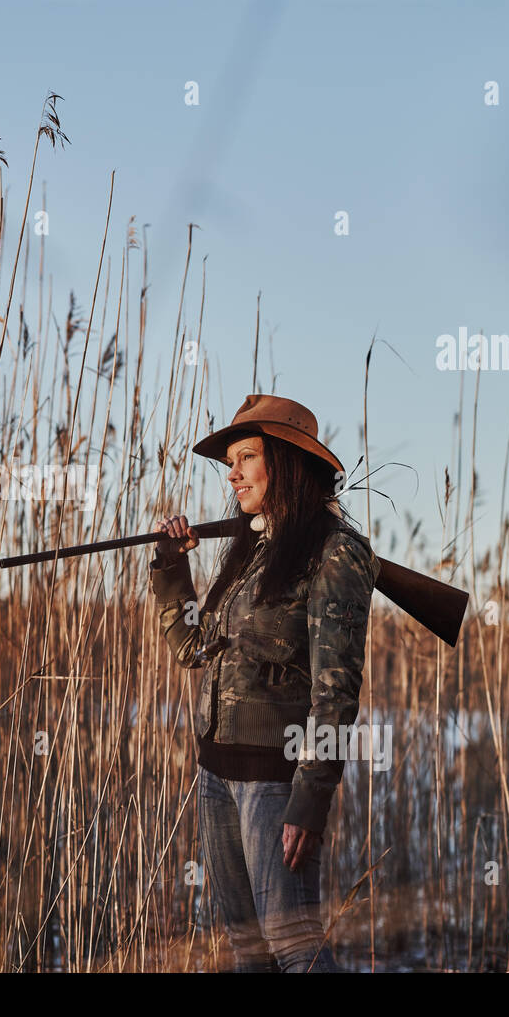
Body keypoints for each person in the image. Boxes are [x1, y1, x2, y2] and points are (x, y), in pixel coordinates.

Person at [149, 393, 379, 973]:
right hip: (216, 775)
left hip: (276, 783)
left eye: (246, 457)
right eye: (230, 461)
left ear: (286, 461)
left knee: (297, 953)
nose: (231, 473)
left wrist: (311, 798)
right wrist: (172, 568)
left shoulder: (335, 552)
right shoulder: (253, 550)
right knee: (250, 953)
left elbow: (337, 691)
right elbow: (193, 650)